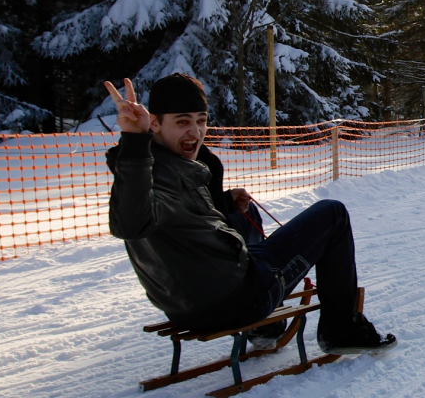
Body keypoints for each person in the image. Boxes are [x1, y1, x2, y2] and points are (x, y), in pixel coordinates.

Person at [104, 73, 394, 353]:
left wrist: (225, 203)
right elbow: (131, 225)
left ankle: (267, 329)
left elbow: (183, 220)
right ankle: (342, 331)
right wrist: (133, 137)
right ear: (154, 123)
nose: (195, 131)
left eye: (201, 120)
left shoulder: (151, 168)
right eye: (182, 122)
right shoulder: (150, 175)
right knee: (333, 213)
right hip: (238, 301)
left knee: (246, 214)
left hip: (185, 306)